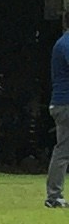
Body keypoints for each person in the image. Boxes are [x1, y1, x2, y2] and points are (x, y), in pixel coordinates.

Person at [48, 19, 68, 208]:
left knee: (63, 149)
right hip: (66, 104)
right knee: (63, 150)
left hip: (62, 103)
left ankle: (54, 195)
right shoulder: (66, 44)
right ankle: (54, 196)